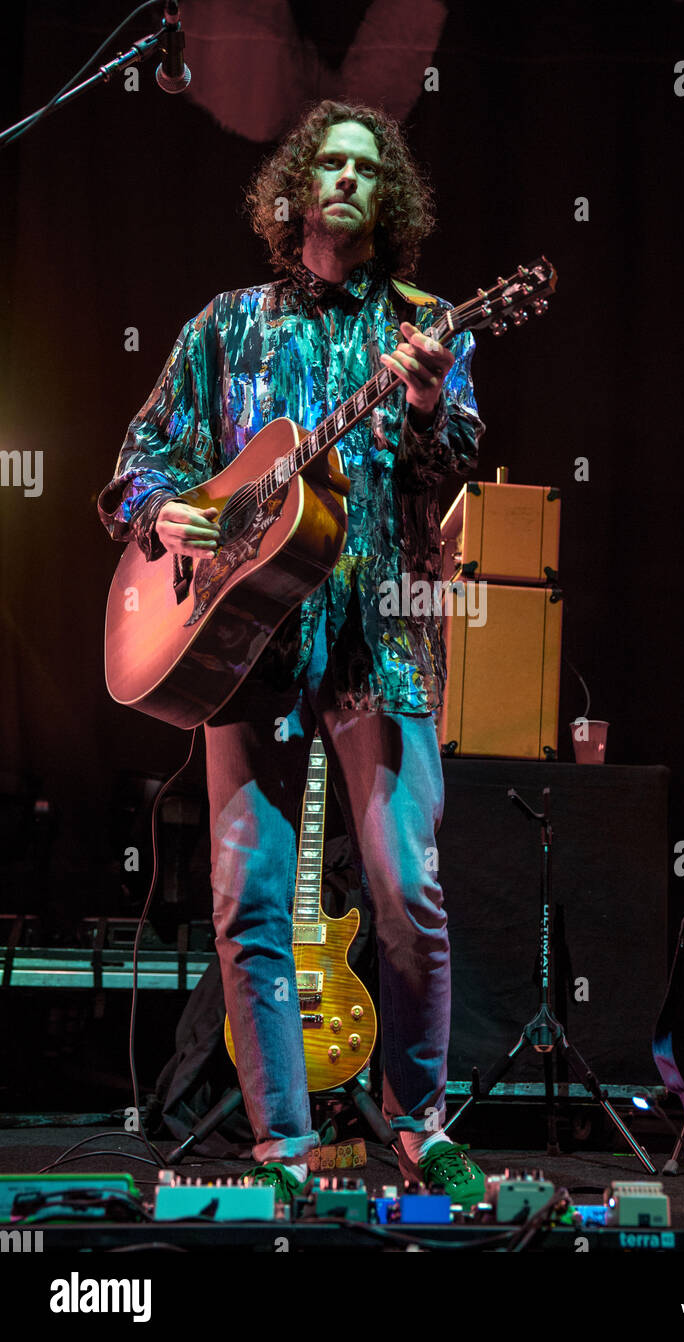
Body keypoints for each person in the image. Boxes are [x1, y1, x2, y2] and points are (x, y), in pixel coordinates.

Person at [98, 99, 486, 1206]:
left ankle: (417, 1122)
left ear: (389, 195)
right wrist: (163, 511)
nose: (350, 179)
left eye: (371, 167)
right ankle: (280, 1143)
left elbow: (449, 457)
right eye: (332, 162)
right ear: (295, 187)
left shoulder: (425, 320)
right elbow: (141, 454)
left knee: (407, 889)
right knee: (247, 895)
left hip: (380, 648)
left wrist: (420, 401)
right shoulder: (226, 325)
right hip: (245, 647)